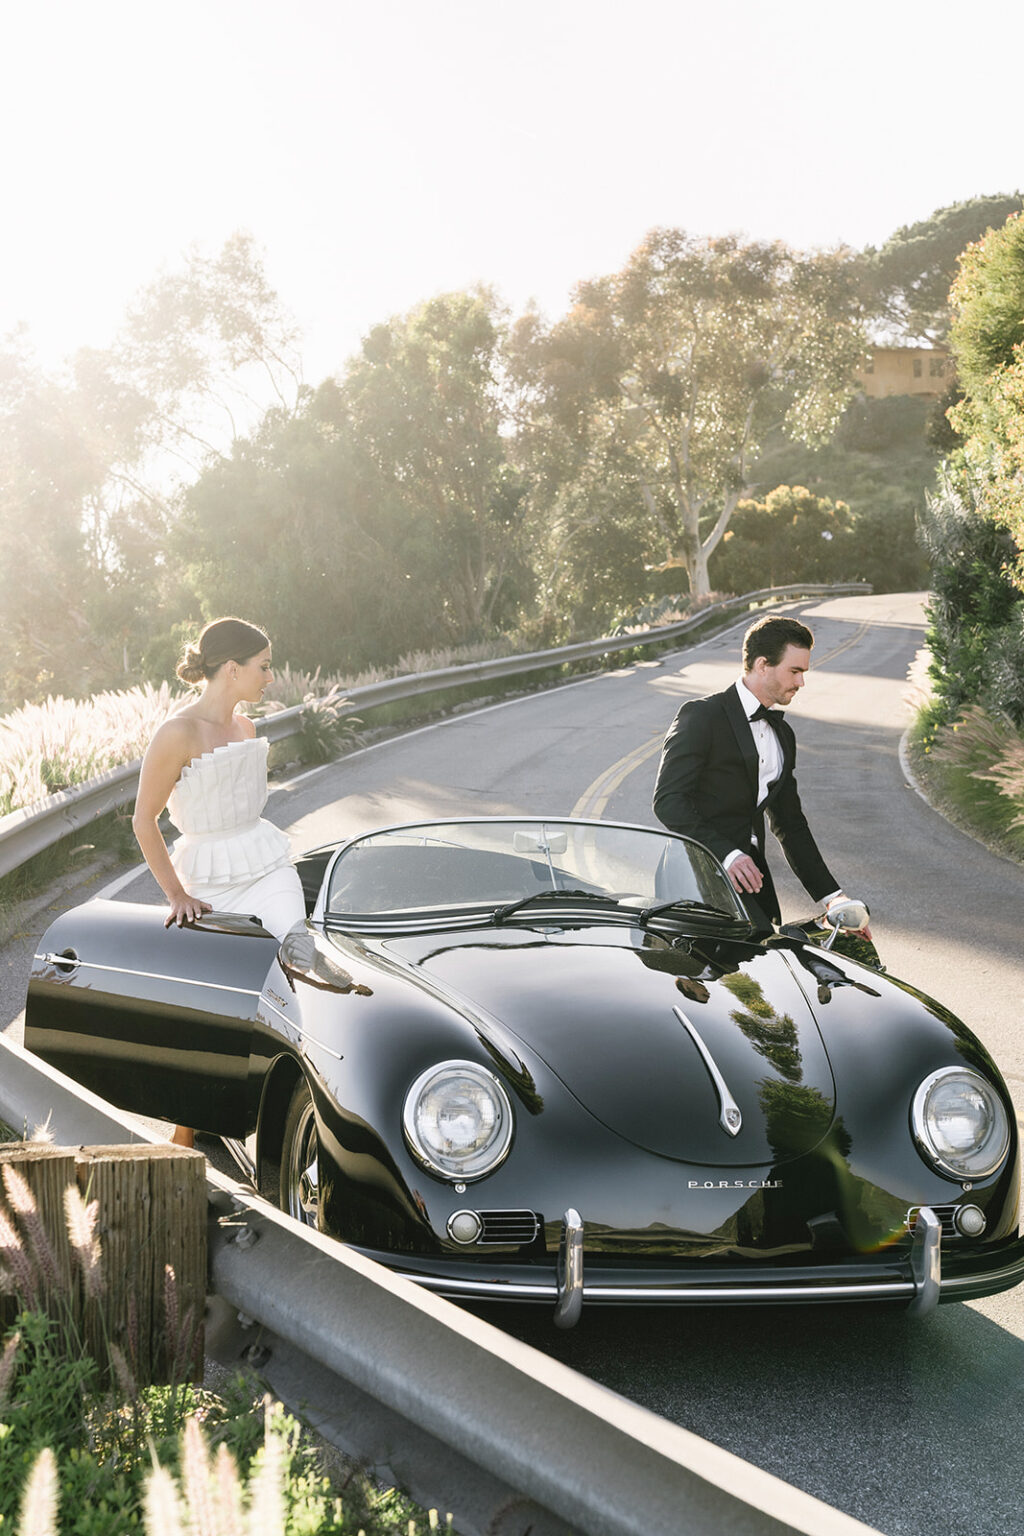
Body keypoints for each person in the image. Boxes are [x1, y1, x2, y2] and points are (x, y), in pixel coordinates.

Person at [133, 617, 307, 1145]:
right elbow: (144, 820)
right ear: (232, 669)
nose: (270, 677)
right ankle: (189, 1129)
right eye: (264, 666)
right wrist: (178, 895)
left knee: (297, 958)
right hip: (207, 879)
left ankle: (295, 1099)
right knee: (217, 1001)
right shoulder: (176, 734)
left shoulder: (247, 728)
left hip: (265, 863)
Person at [652, 614, 867, 935]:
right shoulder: (702, 716)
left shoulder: (783, 736)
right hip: (693, 876)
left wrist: (834, 899)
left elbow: (790, 825)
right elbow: (668, 802)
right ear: (762, 665)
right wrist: (727, 854)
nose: (801, 682)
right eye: (794, 671)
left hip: (750, 880)